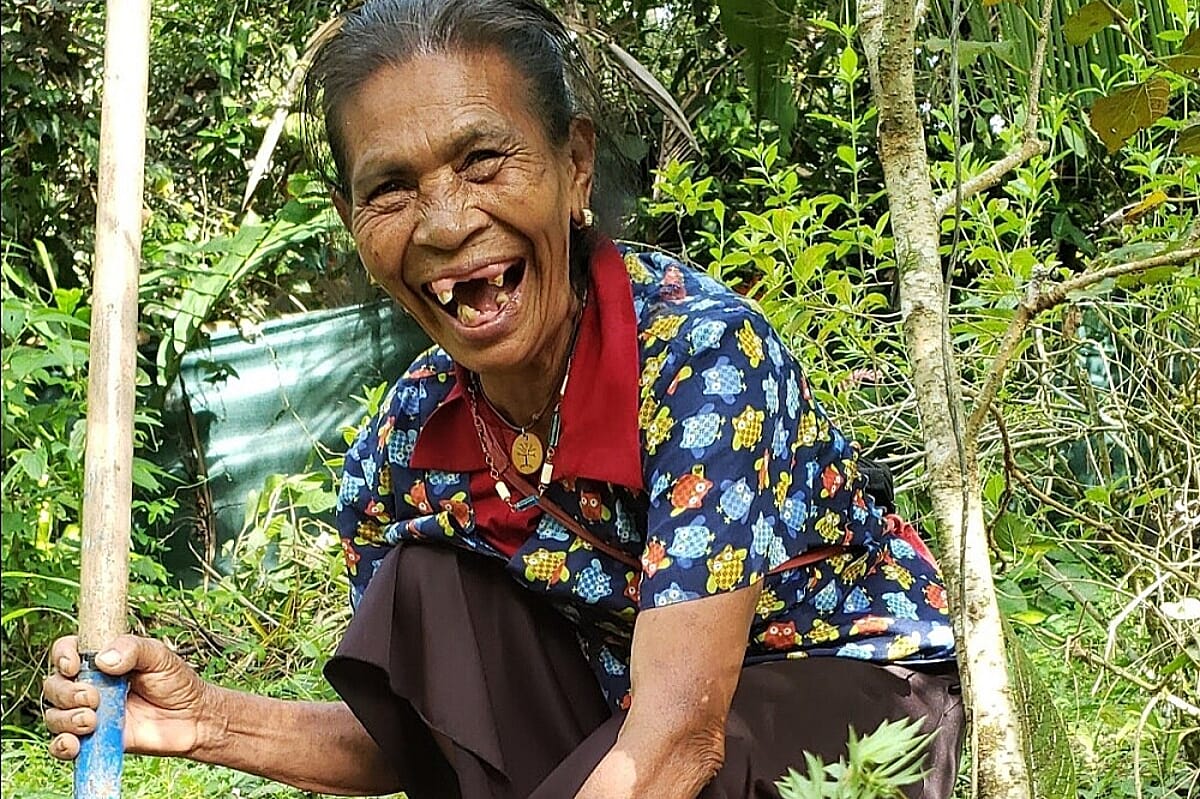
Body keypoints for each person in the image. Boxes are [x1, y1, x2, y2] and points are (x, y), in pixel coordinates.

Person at [43, 1, 964, 797]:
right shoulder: (401, 449)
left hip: (838, 700)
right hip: (625, 723)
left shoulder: (701, 361)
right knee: (424, 586)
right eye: (391, 188)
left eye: (483, 159)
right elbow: (417, 736)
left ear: (574, 165)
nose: (446, 223)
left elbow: (679, 739)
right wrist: (206, 720)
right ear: (354, 222)